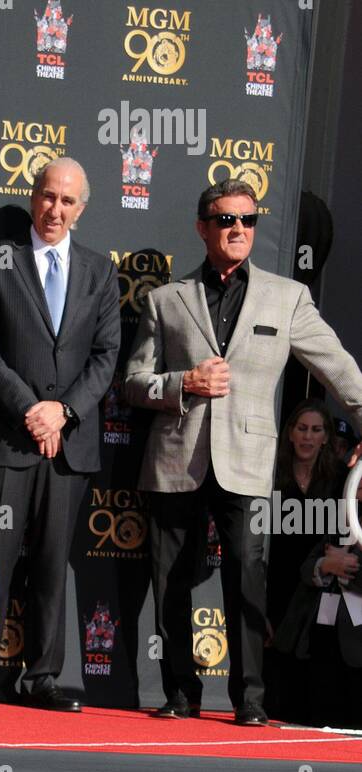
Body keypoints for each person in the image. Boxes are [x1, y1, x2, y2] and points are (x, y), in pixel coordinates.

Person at [124, 178, 362, 725]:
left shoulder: (288, 297)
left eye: (248, 221)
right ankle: (180, 693)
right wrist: (185, 382)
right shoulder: (167, 299)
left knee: (247, 578)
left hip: (249, 464)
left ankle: (251, 700)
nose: (238, 229)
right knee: (171, 581)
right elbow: (134, 382)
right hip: (175, 459)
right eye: (226, 219)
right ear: (203, 227)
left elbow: (335, 363)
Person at [0, 157, 120, 709]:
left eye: (67, 201)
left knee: (53, 565)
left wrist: (63, 413)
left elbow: (105, 357)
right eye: (48, 196)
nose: (55, 209)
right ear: (34, 197)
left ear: (81, 208)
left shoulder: (100, 272)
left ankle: (42, 678)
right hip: (8, 441)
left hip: (67, 449)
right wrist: (32, 410)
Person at [264, 402, 342, 721]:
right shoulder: (270, 477)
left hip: (319, 596)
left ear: (326, 437)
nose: (308, 437)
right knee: (274, 693)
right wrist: (261, 609)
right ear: (290, 434)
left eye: (316, 430)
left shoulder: (340, 482)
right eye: (302, 428)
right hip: (276, 594)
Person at [273, 536, 362, 729]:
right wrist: (326, 564)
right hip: (323, 632)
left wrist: (346, 567)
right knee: (322, 700)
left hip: (357, 637)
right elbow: (306, 567)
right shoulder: (341, 526)